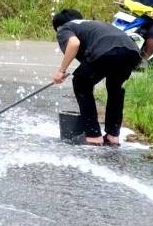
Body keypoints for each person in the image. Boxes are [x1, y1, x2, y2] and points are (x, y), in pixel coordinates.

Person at [52, 9, 141, 146]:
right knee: (115, 88)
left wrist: (61, 71)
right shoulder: (92, 24)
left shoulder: (65, 28)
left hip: (106, 51)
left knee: (81, 83)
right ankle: (113, 135)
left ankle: (93, 135)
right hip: (131, 51)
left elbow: (74, 43)